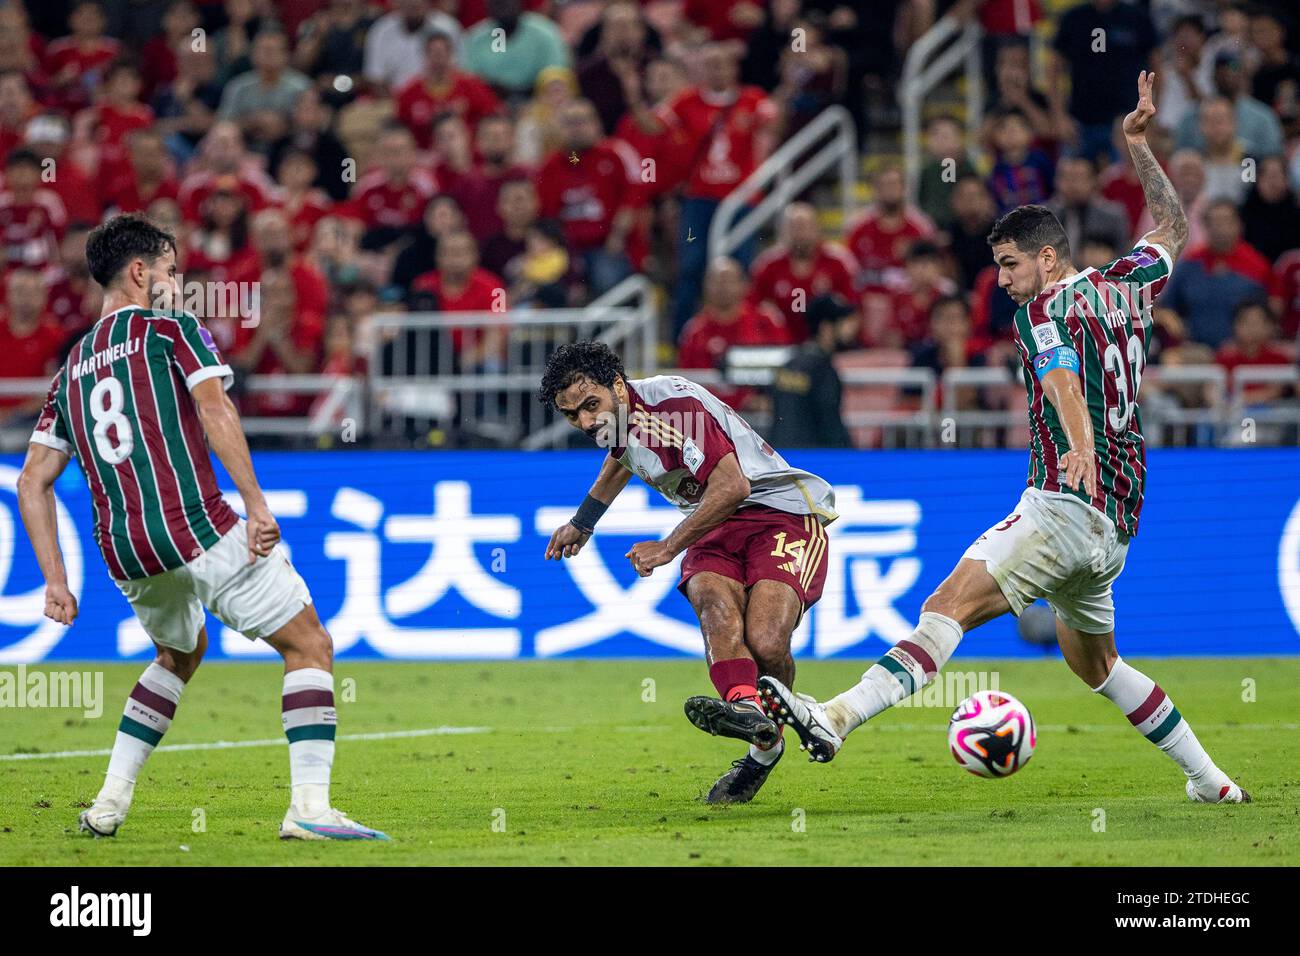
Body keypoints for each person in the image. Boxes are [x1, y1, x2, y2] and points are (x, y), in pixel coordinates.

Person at [761, 73, 1250, 805]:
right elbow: (1174, 228)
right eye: (997, 265)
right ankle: (1212, 782)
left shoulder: (1041, 311)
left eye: (1012, 263)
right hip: (1116, 525)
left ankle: (833, 717)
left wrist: (1078, 448)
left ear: (1048, 259)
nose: (1003, 279)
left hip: (1064, 502)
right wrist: (1138, 146)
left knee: (946, 605)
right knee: (1099, 667)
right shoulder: (1125, 285)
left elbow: (1061, 381)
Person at [16, 214, 388, 840]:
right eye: (168, 269)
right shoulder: (171, 331)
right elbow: (216, 409)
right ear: (140, 272)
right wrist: (257, 504)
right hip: (194, 525)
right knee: (309, 646)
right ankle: (309, 809)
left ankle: (108, 803)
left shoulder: (70, 370)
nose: (175, 281)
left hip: (125, 550)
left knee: (179, 652)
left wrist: (56, 580)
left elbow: (32, 481)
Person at [538, 341, 837, 804]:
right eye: (572, 414)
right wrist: (582, 522)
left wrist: (668, 547)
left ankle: (769, 737)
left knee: (767, 641)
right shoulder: (618, 419)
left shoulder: (673, 407)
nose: (585, 422)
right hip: (715, 522)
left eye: (590, 406)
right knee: (713, 605)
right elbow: (624, 457)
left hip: (780, 514)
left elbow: (733, 485)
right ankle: (749, 714)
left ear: (618, 384)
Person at [768, 294, 858, 448]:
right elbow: (830, 425)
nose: (851, 328)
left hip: (781, 458)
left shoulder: (788, 365)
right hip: (813, 461)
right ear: (826, 328)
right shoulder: (823, 370)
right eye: (843, 322)